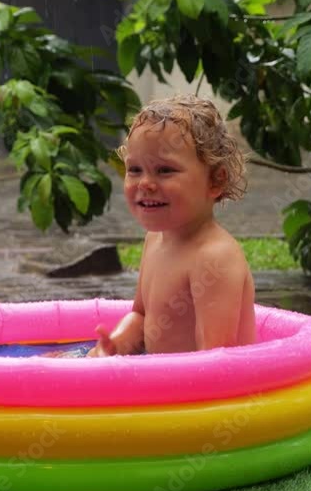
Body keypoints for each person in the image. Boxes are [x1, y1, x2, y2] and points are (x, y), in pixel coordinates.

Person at [89, 95, 255, 356]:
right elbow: (142, 317)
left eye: (164, 170)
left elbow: (216, 361)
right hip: (165, 380)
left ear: (215, 181)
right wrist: (115, 345)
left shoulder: (213, 257)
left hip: (201, 391)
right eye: (134, 170)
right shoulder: (154, 240)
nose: (145, 183)